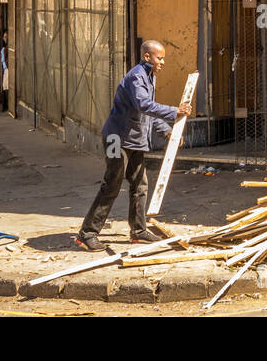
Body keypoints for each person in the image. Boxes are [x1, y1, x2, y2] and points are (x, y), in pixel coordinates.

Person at [76, 40, 194, 251]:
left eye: (164, 57)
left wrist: (167, 130)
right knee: (112, 182)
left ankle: (138, 231)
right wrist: (175, 111)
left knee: (140, 183)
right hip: (116, 138)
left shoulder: (150, 77)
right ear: (147, 57)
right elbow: (144, 104)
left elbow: (146, 113)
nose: (163, 62)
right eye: (160, 57)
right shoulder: (136, 77)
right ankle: (87, 234)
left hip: (135, 141)